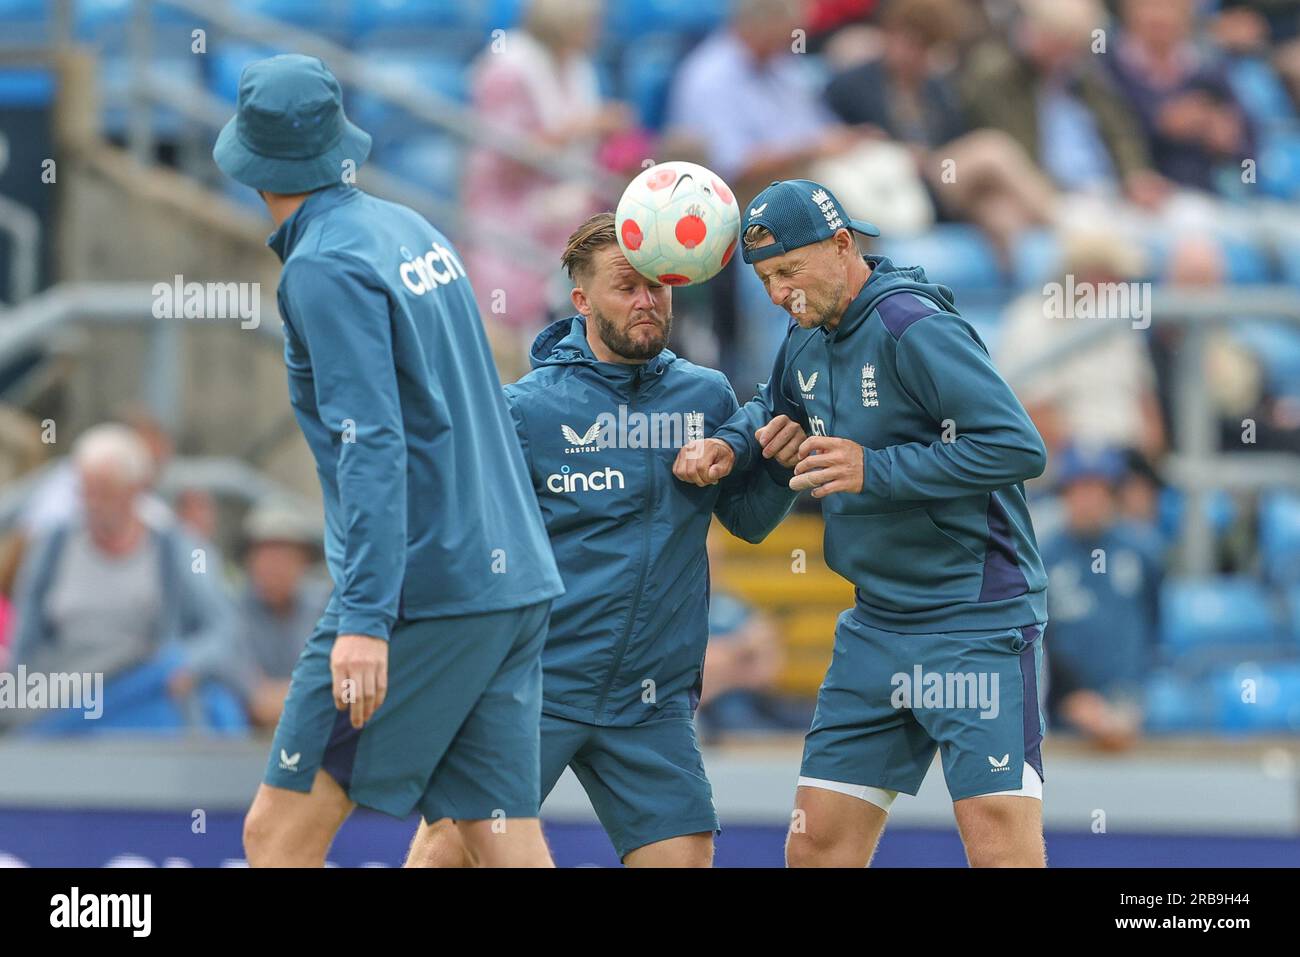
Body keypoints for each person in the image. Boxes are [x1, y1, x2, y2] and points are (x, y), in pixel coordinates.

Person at [212, 54, 564, 867]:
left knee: (277, 834)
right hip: (508, 580)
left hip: (419, 594)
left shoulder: (323, 266)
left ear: (251, 162)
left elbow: (370, 441)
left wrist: (366, 620)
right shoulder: (410, 227)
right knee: (489, 836)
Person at [404, 212, 803, 867]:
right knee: (449, 848)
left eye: (658, 286)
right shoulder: (526, 409)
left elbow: (748, 521)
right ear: (582, 300)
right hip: (537, 687)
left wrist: (781, 467)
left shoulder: (704, 396)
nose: (647, 301)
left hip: (651, 702)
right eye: (626, 286)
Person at [676, 179, 1050, 867]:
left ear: (842, 245)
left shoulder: (914, 325)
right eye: (765, 278)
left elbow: (1018, 447)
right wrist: (732, 444)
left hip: (974, 619)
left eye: (789, 270)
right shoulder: (805, 333)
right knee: (815, 847)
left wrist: (875, 468)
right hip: (875, 624)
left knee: (1000, 846)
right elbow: (774, 406)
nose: (778, 292)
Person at [4, 424, 240, 733]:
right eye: (85, 491)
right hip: (64, 693)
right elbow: (26, 638)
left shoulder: (174, 548)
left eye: (104, 491)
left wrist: (188, 665)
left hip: (140, 692)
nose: (92, 502)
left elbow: (223, 629)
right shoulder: (54, 546)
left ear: (134, 490)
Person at [1039, 446, 1161, 751]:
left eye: (1098, 488)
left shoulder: (1142, 550)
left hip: (1134, 704)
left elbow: (1156, 624)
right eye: (1079, 488)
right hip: (1066, 711)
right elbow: (1036, 638)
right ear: (1064, 494)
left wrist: (1137, 697)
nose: (1089, 500)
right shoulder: (1043, 557)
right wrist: (1068, 699)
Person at [234, 502, 330, 731]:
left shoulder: (326, 610)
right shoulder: (233, 613)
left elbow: (334, 689)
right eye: (265, 556)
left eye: (285, 556)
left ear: (304, 561)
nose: (274, 566)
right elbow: (256, 700)